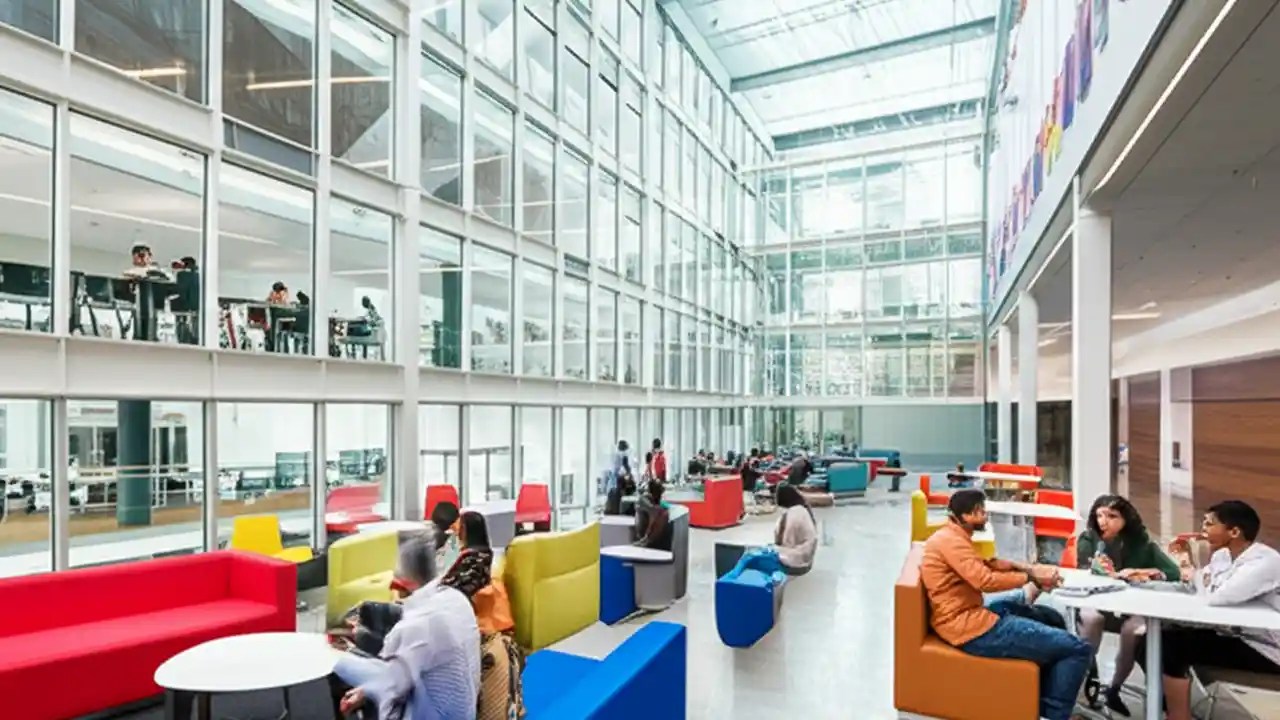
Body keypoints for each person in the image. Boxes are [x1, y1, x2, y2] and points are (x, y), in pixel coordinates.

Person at [922, 489, 1091, 720]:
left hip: (970, 615)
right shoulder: (952, 542)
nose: (985, 517)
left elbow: (988, 564)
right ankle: (1051, 715)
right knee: (1077, 648)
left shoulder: (953, 536)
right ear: (966, 515)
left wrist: (1029, 569)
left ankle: (1042, 698)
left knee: (1051, 618)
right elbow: (984, 580)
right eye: (981, 512)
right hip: (969, 628)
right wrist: (1031, 578)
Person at [1136, 500, 1280, 720]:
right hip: (1239, 635)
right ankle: (1172, 711)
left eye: (1210, 524)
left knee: (1168, 646)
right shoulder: (1222, 555)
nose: (1202, 529)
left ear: (1234, 531)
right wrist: (1194, 571)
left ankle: (1178, 716)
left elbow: (1218, 596)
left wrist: (1188, 566)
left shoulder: (1265, 561)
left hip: (1267, 648)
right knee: (1147, 642)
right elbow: (1199, 583)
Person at [333, 532, 481, 720]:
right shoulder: (456, 599)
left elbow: (387, 682)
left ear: (397, 584)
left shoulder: (416, 627)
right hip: (464, 711)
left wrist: (329, 656)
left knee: (341, 672)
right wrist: (367, 689)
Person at [1074, 494, 1180, 716]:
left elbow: (1173, 573)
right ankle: (1082, 681)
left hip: (1131, 607)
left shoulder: (1142, 545)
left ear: (1126, 519)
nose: (1104, 521)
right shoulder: (1088, 540)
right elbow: (1084, 569)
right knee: (1092, 618)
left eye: (1112, 516)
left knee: (1134, 629)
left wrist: (1147, 573)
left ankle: (1114, 689)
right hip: (1097, 602)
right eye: (1100, 515)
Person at [440, 511, 493, 599]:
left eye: (460, 527)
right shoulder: (486, 555)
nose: (457, 533)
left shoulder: (471, 558)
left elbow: (451, 585)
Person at [774, 484, 817, 575]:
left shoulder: (791, 515)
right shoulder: (803, 509)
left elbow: (783, 542)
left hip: (795, 561)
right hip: (807, 557)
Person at [634, 480, 671, 549]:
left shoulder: (654, 499)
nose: (661, 494)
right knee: (662, 514)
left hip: (649, 528)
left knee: (663, 513)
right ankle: (647, 540)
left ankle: (648, 539)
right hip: (643, 529)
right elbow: (653, 511)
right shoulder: (644, 498)